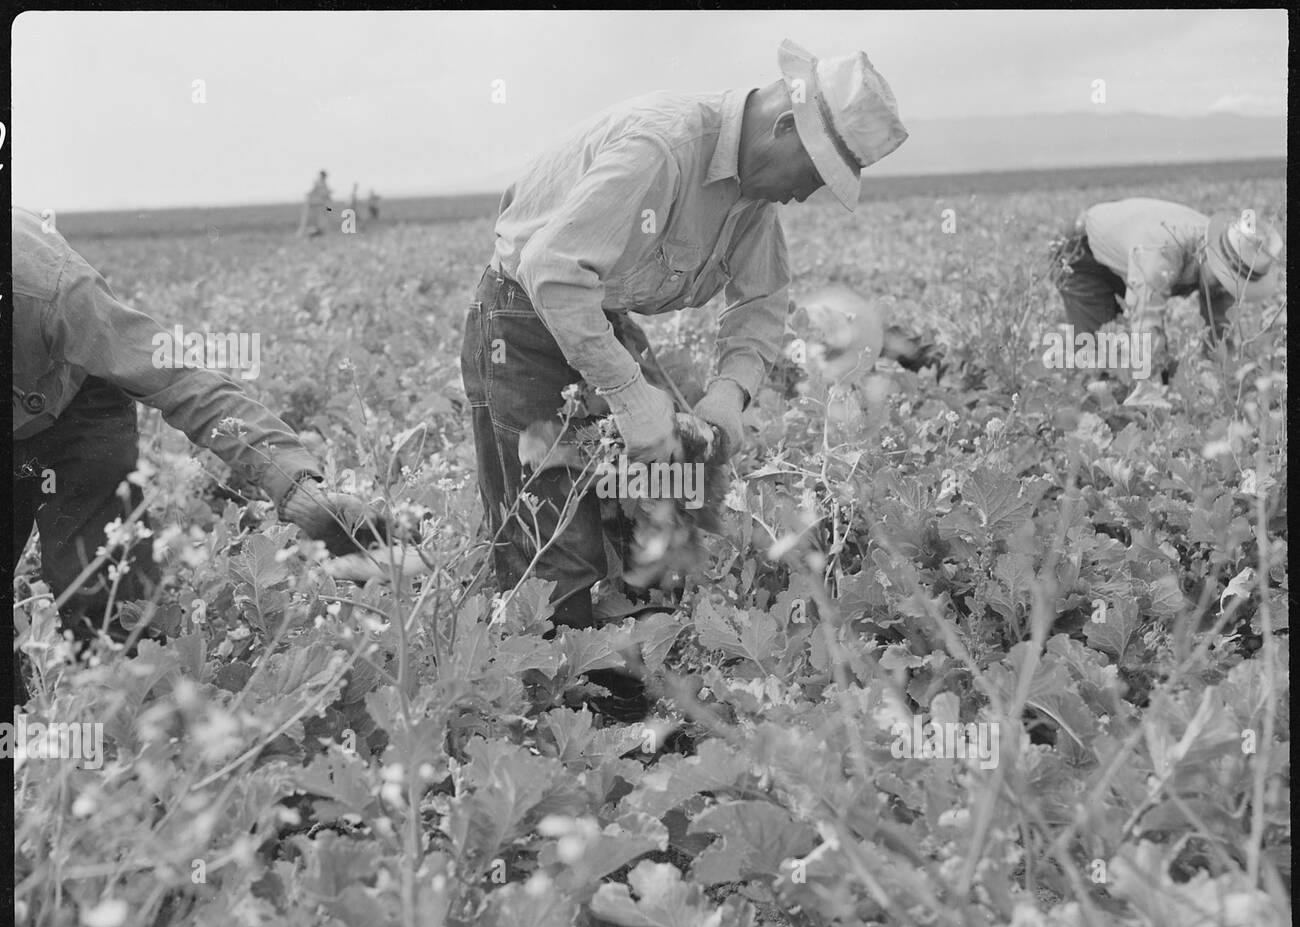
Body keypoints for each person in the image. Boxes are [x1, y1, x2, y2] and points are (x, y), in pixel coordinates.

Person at [459, 39, 907, 718]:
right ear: (785, 126)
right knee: (551, 545)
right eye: (816, 173)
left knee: (672, 483)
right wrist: (632, 398)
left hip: (593, 317)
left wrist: (727, 396)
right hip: (522, 317)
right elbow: (552, 272)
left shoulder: (755, 195)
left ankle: (642, 659)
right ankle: (565, 720)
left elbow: (761, 305)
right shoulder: (663, 148)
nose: (806, 193)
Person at [11, 207, 375, 701]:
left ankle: (130, 725)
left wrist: (295, 486)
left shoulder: (52, 290)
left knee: (97, 588)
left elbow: (184, 382)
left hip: (76, 412)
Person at [1051, 198, 1283, 379]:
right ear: (1206, 255)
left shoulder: (1231, 250)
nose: (1224, 288)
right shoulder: (1160, 255)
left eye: (1233, 283)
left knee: (1141, 361)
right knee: (1102, 357)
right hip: (1080, 253)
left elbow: (1219, 332)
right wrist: (1151, 392)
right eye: (1223, 279)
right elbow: (1145, 326)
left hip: (1130, 248)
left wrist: (1223, 378)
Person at [297, 170, 333, 237]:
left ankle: (318, 233)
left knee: (322, 219)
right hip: (314, 205)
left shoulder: (322, 183)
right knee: (310, 221)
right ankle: (307, 233)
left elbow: (326, 195)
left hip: (320, 205)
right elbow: (320, 193)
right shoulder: (319, 183)